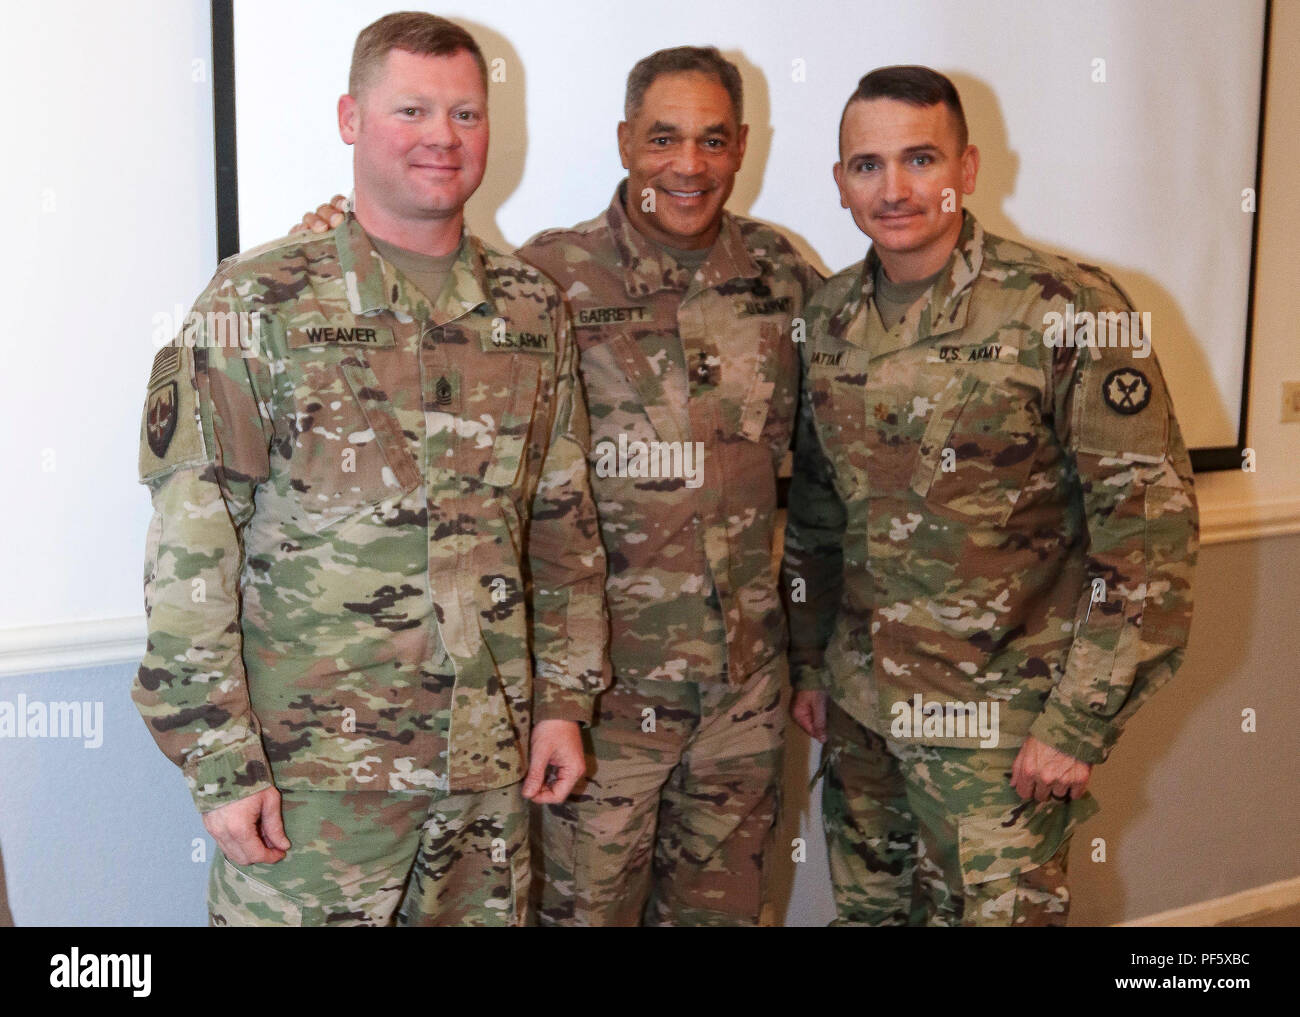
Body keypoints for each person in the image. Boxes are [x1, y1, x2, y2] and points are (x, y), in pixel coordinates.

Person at [305, 46, 822, 925]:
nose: (688, 165)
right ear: (624, 141)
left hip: (743, 697)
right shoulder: (546, 280)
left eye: (712, 140)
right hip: (599, 702)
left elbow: (852, 416)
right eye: (663, 137)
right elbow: (424, 342)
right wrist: (333, 240)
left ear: (741, 146)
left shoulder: (783, 278)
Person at [133, 11, 609, 927]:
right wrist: (219, 757)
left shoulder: (529, 309)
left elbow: (563, 526)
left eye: (465, 114)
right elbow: (193, 546)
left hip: (484, 768)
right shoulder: (257, 301)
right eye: (412, 110)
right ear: (351, 119)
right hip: (311, 783)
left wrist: (564, 701)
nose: (443, 137)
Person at [783, 65, 1198, 926]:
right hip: (865, 720)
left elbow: (1146, 536)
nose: (894, 189)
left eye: (920, 158)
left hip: (1000, 732)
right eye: (867, 165)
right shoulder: (826, 318)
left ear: (966, 169)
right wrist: (813, 662)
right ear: (840, 182)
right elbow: (820, 513)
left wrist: (1078, 723)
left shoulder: (1068, 309)